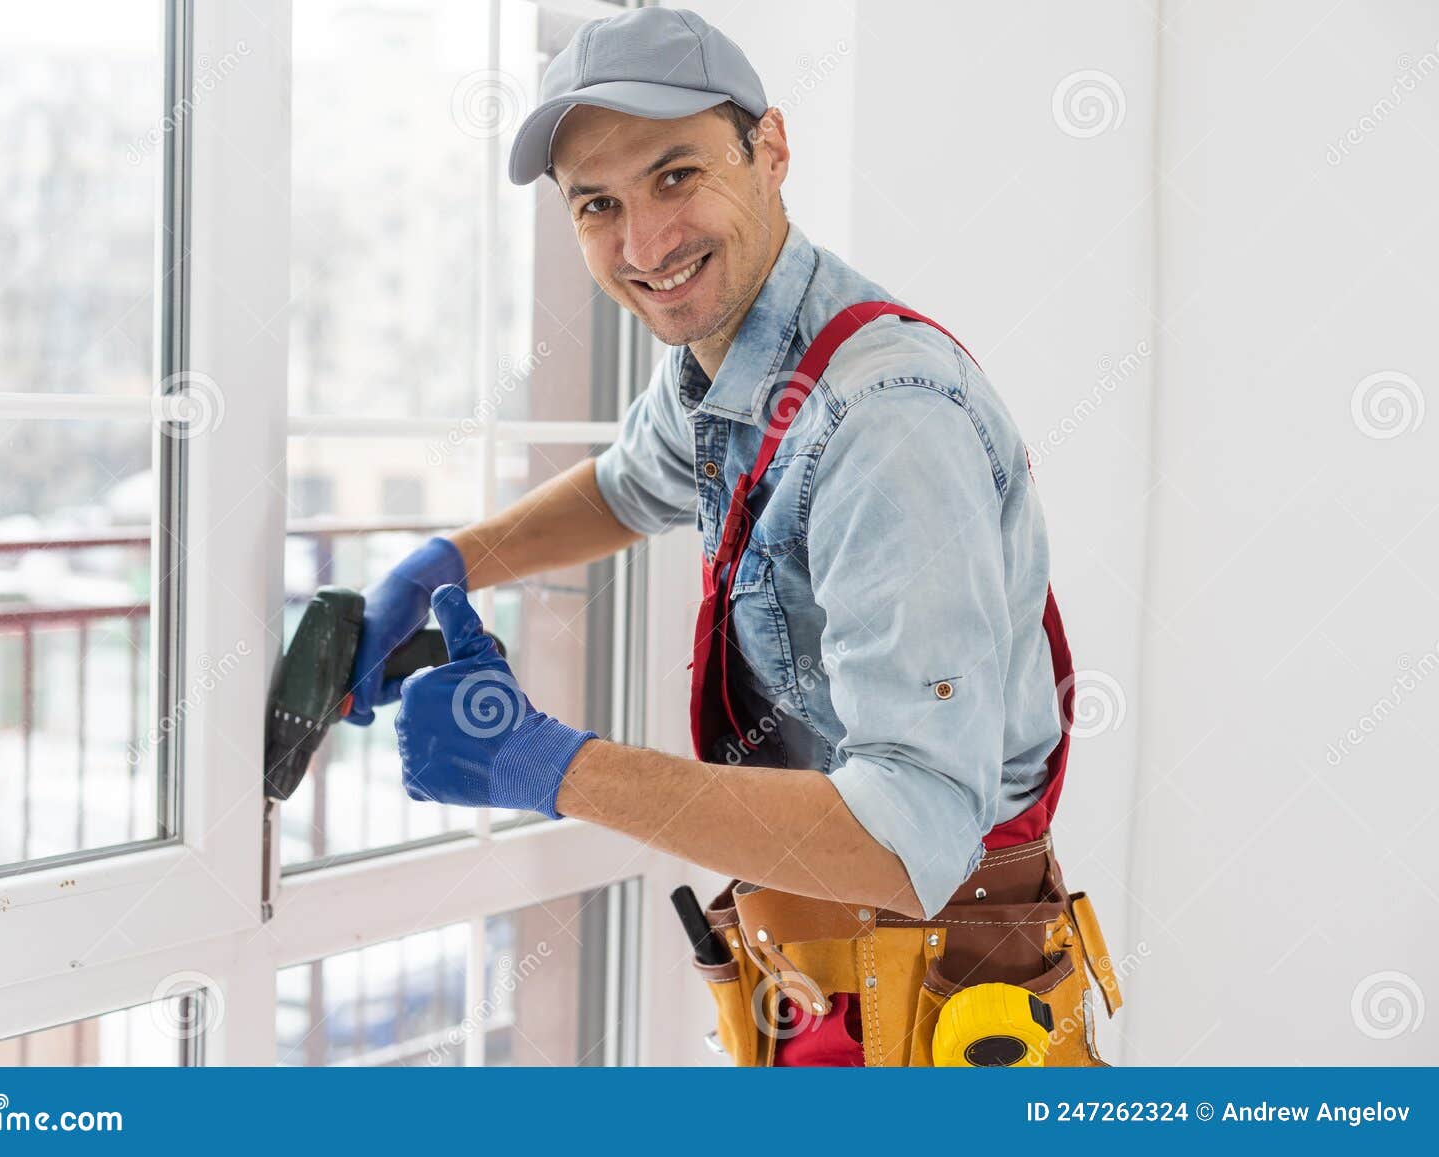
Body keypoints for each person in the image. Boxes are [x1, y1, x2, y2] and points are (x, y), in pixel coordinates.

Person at [347, 7, 1118, 1067]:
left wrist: (552, 765)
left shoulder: (886, 419)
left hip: (939, 977)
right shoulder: (734, 357)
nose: (643, 244)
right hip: (823, 964)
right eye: (597, 204)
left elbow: (915, 836)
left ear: (773, 151)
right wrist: (448, 563)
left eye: (675, 176)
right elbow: (628, 484)